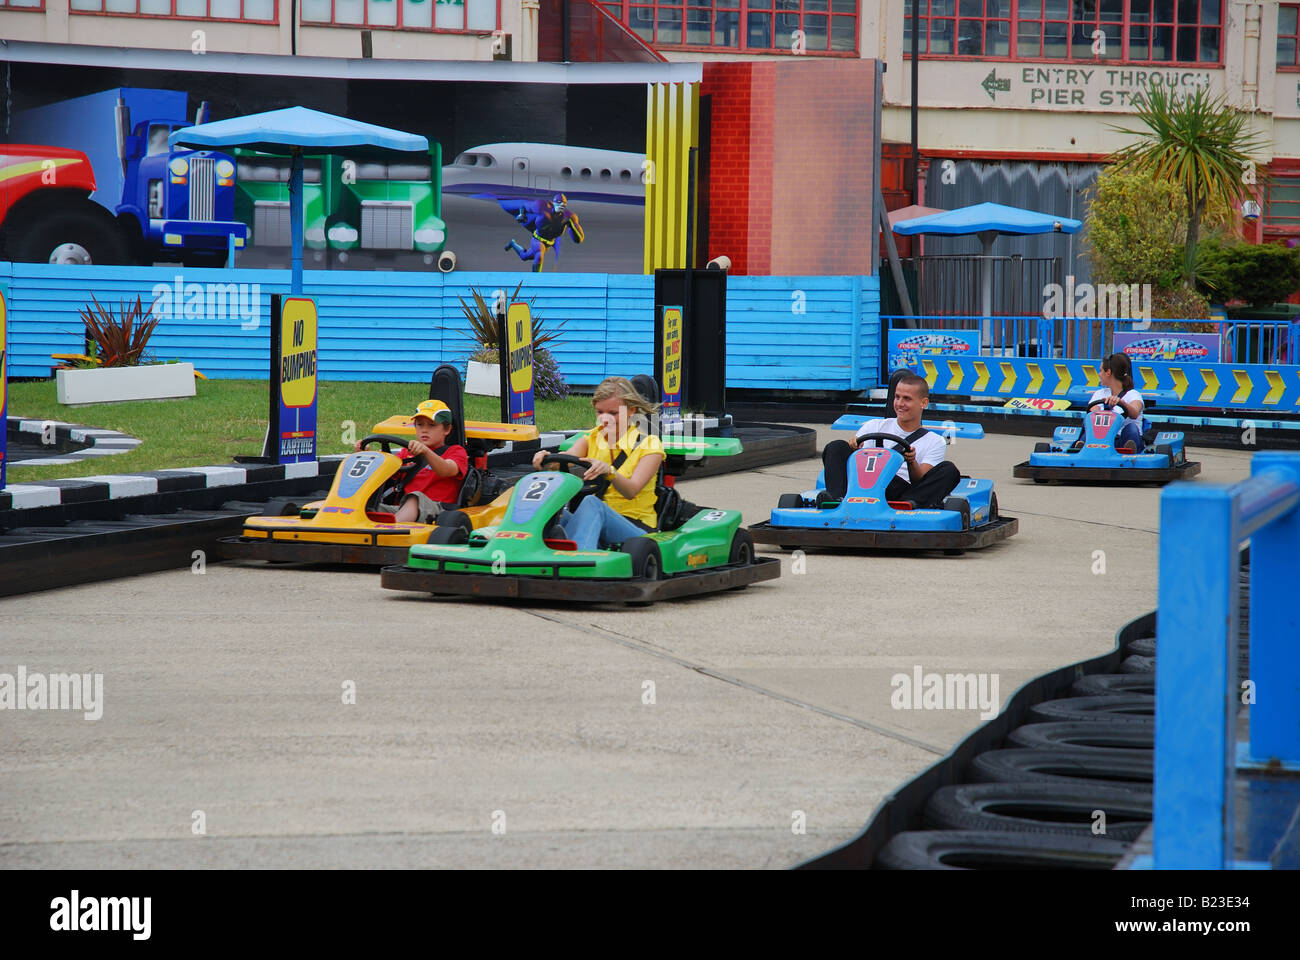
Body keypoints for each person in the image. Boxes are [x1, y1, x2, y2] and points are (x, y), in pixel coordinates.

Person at [530, 376, 664, 551]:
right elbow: (565, 459)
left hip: (636, 528)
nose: (605, 419)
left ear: (631, 410)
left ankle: (577, 559)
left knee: (591, 503)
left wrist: (609, 471)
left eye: (613, 413)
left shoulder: (649, 443)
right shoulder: (592, 438)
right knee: (551, 511)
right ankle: (529, 550)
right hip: (595, 521)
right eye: (600, 412)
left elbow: (632, 490)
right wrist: (545, 459)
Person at [820, 374, 961, 508]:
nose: (900, 404)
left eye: (907, 399)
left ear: (923, 403)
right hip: (864, 484)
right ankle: (838, 499)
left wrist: (911, 462)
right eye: (897, 397)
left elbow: (921, 480)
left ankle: (909, 505)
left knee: (949, 470)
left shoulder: (934, 441)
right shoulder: (874, 426)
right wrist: (854, 449)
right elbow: (855, 466)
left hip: (901, 491)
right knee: (837, 446)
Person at [359, 399, 467, 523]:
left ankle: (391, 532)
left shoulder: (456, 451)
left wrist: (426, 452)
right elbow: (382, 474)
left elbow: (446, 470)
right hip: (403, 508)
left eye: (432, 425)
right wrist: (363, 454)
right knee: (365, 506)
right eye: (420, 424)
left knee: (415, 498)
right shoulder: (406, 453)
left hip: (438, 510)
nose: (424, 430)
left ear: (446, 429)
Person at [1087, 352, 1146, 452]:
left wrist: (1121, 403)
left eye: (1100, 371)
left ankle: (1129, 450)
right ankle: (1082, 447)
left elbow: (1135, 413)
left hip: (1122, 440)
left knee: (1131, 428)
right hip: (1102, 441)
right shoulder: (1099, 394)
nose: (1099, 374)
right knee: (1088, 431)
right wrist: (1102, 408)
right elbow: (1092, 411)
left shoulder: (1133, 394)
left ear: (1108, 372)